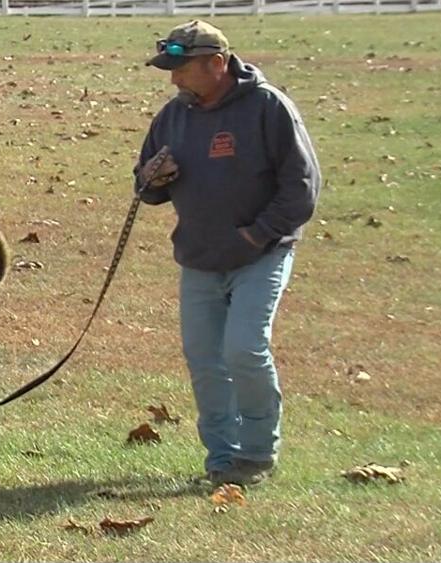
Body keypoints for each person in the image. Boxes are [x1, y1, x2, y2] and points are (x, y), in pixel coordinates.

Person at [134, 19, 321, 487]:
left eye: (182, 69)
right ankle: (222, 459)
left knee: (244, 349)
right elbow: (146, 184)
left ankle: (257, 452)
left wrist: (258, 235)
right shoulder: (173, 116)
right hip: (199, 258)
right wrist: (153, 178)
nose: (174, 79)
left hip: (260, 254)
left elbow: (302, 188)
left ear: (216, 64)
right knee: (204, 359)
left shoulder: (267, 108)